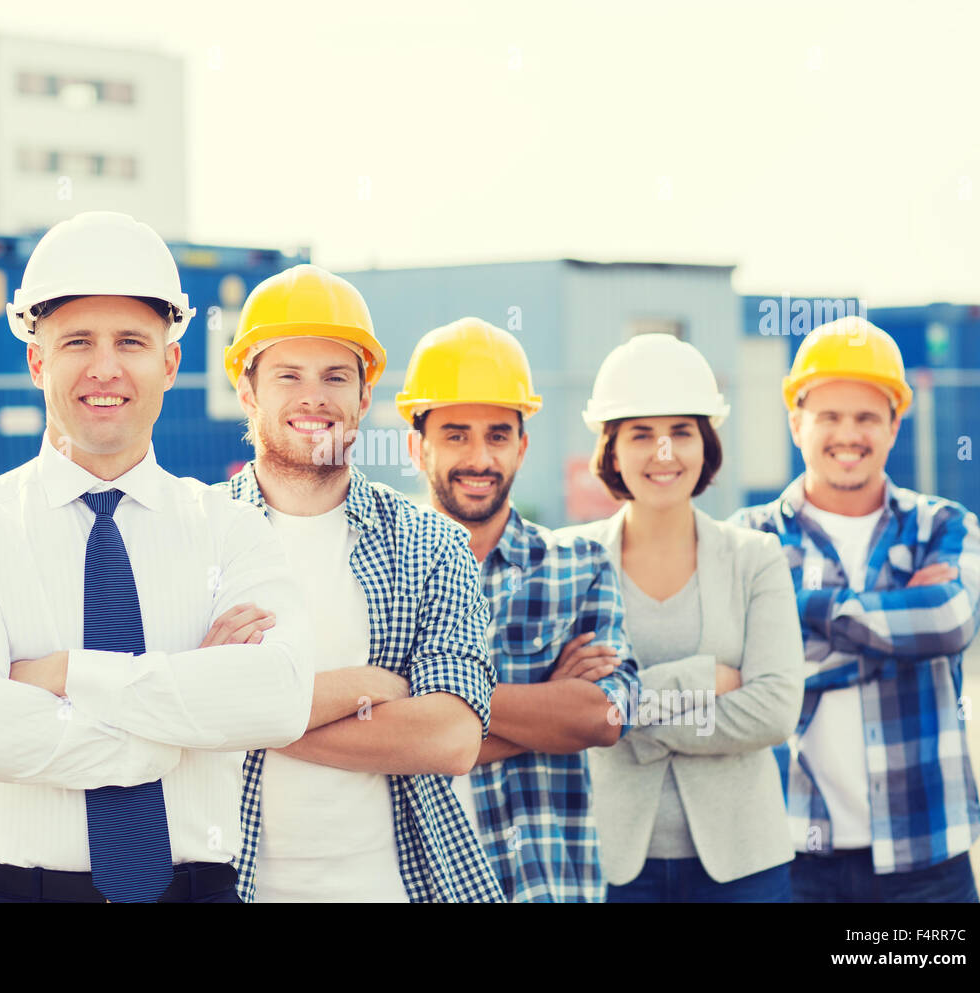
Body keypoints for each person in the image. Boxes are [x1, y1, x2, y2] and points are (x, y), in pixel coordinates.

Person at [0, 211, 314, 904]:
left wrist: (62, 675)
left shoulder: (233, 531)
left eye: (131, 341)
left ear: (170, 362)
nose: (105, 367)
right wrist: (167, 728)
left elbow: (277, 697)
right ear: (37, 361)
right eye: (77, 341)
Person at [219, 264, 504, 903]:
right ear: (248, 390)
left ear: (364, 396)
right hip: (229, 888)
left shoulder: (433, 545)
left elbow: (453, 737)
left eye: (335, 377)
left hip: (396, 888)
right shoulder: (194, 538)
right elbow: (168, 713)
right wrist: (362, 689)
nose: (313, 398)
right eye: (288, 375)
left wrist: (245, 711)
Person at [731, 316, 980, 902]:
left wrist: (794, 616)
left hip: (928, 856)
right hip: (791, 855)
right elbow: (736, 677)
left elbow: (948, 621)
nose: (849, 434)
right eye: (829, 416)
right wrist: (896, 629)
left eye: (867, 417)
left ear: (895, 425)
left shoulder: (942, 525)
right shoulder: (747, 540)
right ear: (796, 422)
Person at [399, 317, 640, 903]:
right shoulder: (381, 573)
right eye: (456, 434)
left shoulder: (578, 565)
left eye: (498, 436)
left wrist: (428, 708)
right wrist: (545, 709)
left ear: (523, 446)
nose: (479, 458)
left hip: (544, 886)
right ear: (417, 446)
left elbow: (602, 720)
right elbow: (366, 737)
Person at [560, 333, 804, 902]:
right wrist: (701, 683)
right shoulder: (569, 561)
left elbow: (773, 711)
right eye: (641, 434)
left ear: (705, 445)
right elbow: (563, 715)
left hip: (744, 868)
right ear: (612, 450)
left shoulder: (755, 558)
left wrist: (620, 712)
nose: (663, 452)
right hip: (613, 865)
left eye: (681, 432)